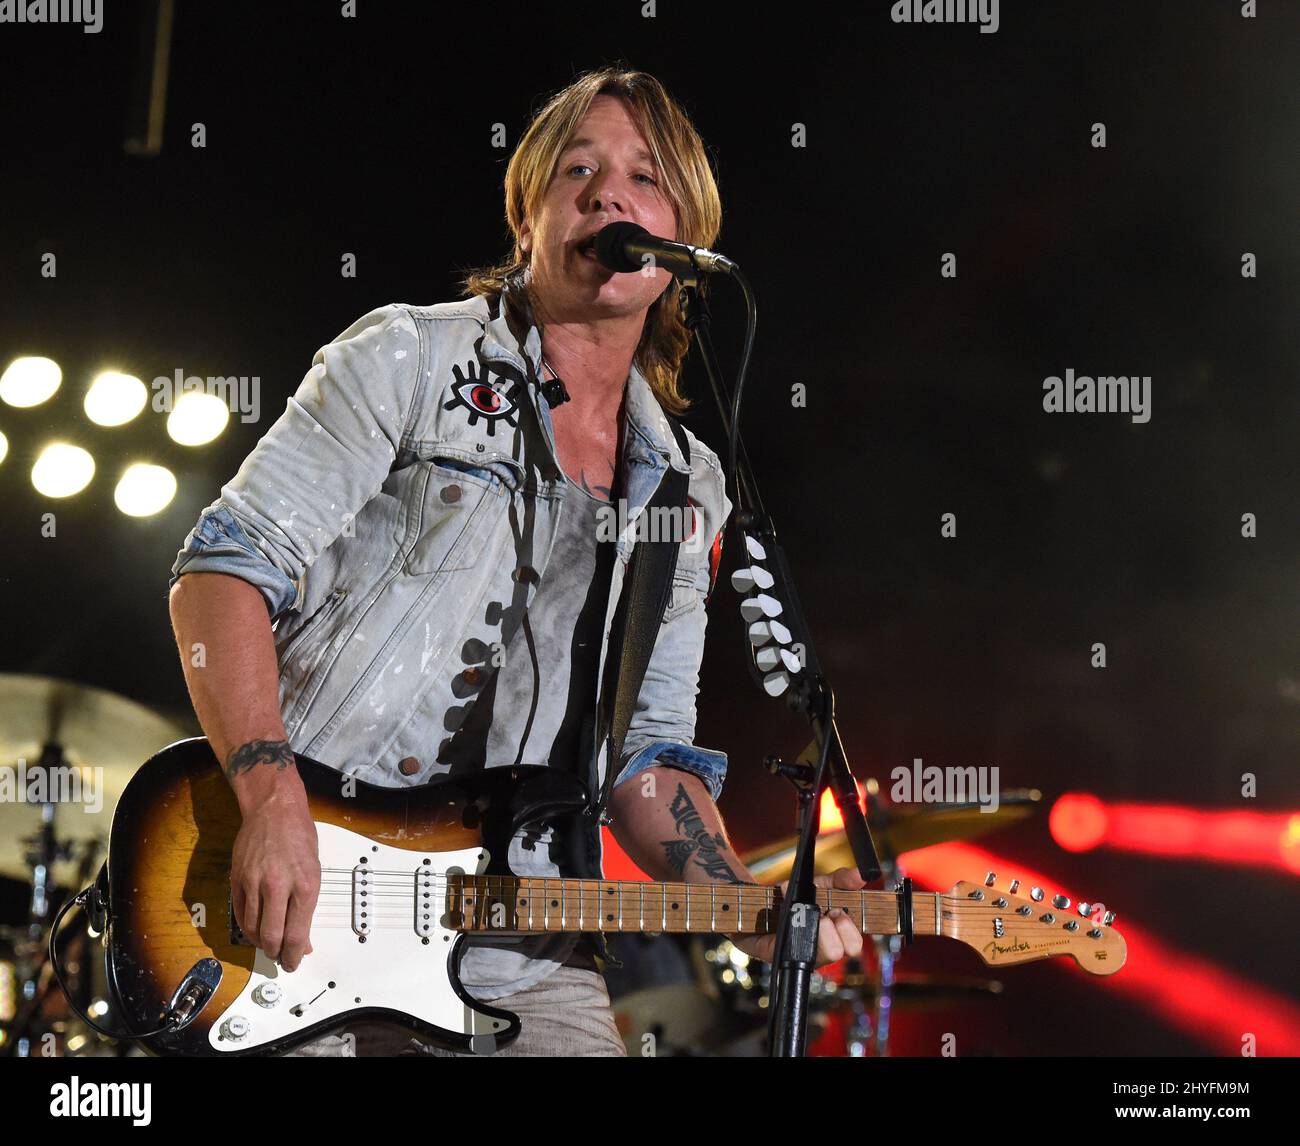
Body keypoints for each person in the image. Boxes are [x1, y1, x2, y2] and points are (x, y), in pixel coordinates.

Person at [167, 65, 866, 1058]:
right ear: (526, 213)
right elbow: (223, 570)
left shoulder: (684, 483)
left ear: (684, 239)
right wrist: (270, 796)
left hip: (523, 931)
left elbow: (645, 753)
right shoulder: (409, 361)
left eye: (643, 177)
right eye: (576, 169)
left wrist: (738, 902)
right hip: (307, 879)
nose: (608, 194)